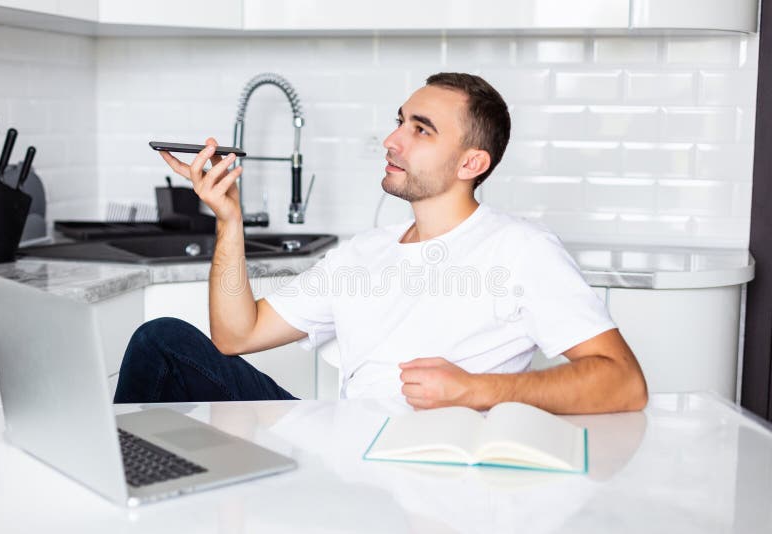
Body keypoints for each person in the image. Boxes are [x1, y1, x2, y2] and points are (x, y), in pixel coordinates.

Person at [114, 73, 648, 414]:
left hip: (426, 473)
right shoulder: (364, 252)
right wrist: (228, 223)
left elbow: (623, 383)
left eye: (421, 129)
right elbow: (237, 335)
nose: (393, 139)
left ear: (471, 163)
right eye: (400, 122)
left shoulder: (519, 249)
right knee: (162, 342)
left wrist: (478, 389)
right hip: (341, 453)